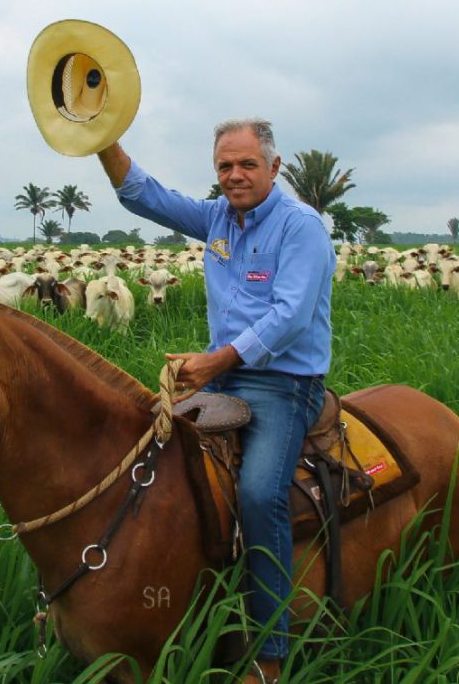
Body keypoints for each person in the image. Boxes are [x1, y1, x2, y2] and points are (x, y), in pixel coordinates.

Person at [97, 119, 336, 683]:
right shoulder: (217, 218)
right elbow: (144, 195)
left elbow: (291, 315)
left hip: (284, 384)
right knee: (146, 462)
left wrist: (217, 361)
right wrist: (100, 136)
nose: (234, 176)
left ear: (274, 168)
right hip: (221, 379)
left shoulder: (301, 227)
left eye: (247, 164)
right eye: (225, 166)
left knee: (257, 494)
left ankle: (271, 653)